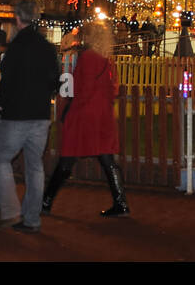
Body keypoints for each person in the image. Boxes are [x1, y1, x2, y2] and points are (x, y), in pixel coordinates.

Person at [42, 21, 130, 218]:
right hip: (103, 115)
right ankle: (121, 202)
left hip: (84, 115)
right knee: (107, 159)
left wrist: (70, 109)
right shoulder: (106, 59)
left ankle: (46, 201)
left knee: (67, 159)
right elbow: (112, 89)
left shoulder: (88, 57)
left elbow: (83, 88)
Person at [0, 0, 61, 233]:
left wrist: (2, 105)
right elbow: (55, 80)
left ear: (18, 18)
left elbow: (7, 80)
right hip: (40, 114)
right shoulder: (47, 47)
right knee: (35, 166)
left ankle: (10, 210)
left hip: (17, 114)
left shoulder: (16, 47)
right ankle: (31, 218)